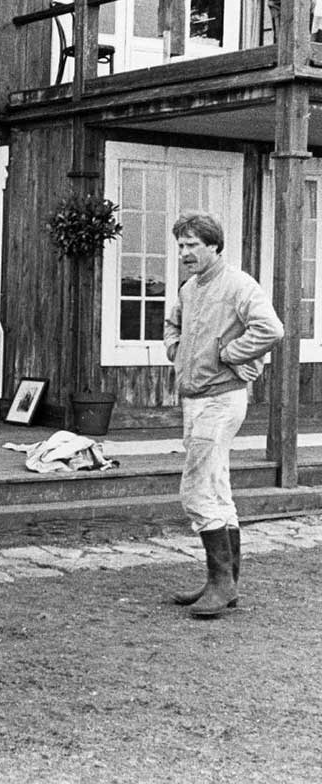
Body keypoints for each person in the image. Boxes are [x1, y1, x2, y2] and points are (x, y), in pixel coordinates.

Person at [164, 213, 283, 618]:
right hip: (194, 398)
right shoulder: (190, 288)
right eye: (181, 245)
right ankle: (225, 582)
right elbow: (172, 324)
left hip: (223, 397)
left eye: (192, 244)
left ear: (214, 246)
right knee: (216, 486)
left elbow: (270, 329)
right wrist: (175, 348)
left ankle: (221, 582)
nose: (184, 253)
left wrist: (231, 355)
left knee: (195, 489)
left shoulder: (239, 284)